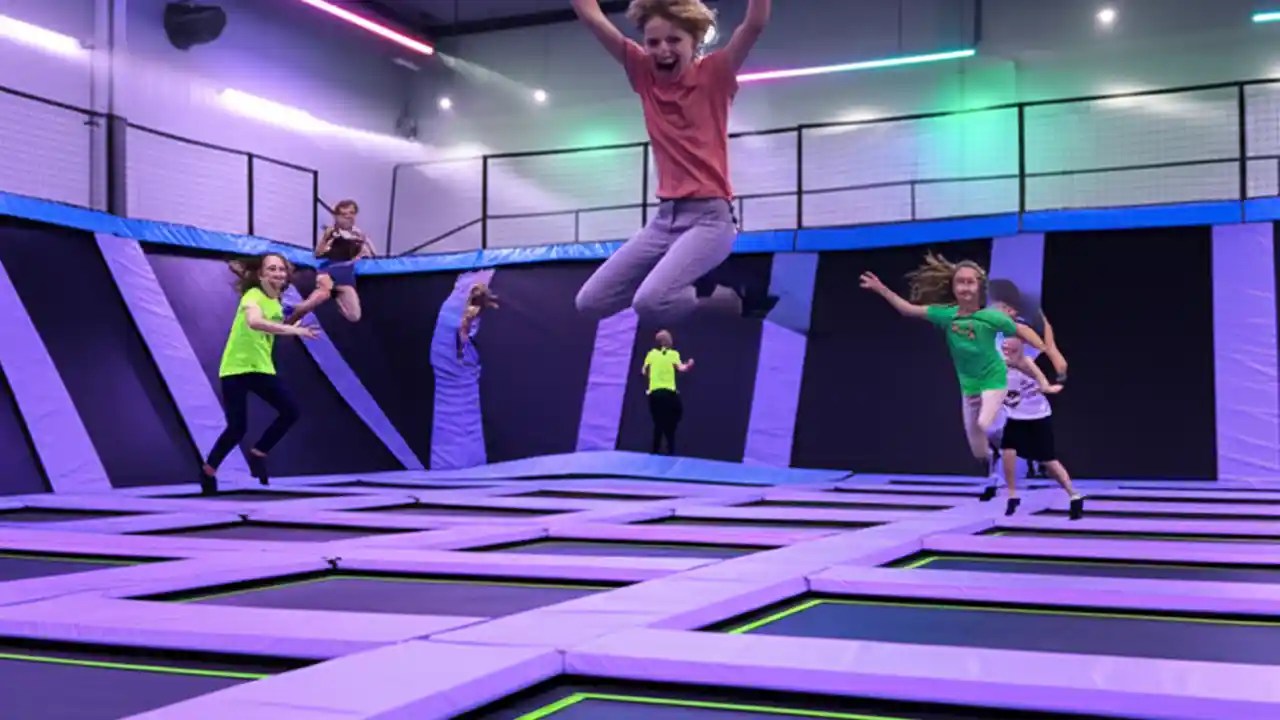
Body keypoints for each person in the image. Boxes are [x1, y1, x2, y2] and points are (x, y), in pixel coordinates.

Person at [570, 0, 776, 324]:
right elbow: (594, 19)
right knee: (590, 303)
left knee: (649, 303)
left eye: (674, 40)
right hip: (664, 220)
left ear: (695, 42)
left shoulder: (716, 73)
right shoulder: (642, 72)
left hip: (710, 219)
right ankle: (677, 282)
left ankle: (723, 300)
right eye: (653, 42)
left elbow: (754, 24)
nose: (662, 50)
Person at [859, 253, 1053, 491]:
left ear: (979, 287)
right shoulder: (946, 315)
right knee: (979, 449)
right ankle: (1009, 455)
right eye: (960, 282)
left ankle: (1028, 449)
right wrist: (881, 289)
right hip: (970, 388)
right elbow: (908, 310)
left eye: (970, 282)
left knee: (991, 425)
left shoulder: (991, 317)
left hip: (994, 382)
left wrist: (1046, 349)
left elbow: (1021, 330)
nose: (965, 287)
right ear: (953, 286)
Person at [199, 253, 317, 494]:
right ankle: (208, 472)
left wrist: (295, 323)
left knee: (291, 411)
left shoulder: (276, 301)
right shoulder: (252, 296)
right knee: (237, 428)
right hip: (236, 368)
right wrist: (292, 330)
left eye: (281, 269)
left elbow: (277, 321)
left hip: (261, 367)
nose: (278, 273)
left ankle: (258, 452)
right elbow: (254, 322)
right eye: (272, 269)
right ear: (261, 274)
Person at [988, 280, 1069, 479]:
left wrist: (1055, 355)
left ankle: (1037, 459)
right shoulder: (996, 327)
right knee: (994, 429)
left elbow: (1044, 342)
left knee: (1018, 425)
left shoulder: (1022, 326)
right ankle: (1028, 458)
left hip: (1023, 381)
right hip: (1005, 380)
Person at [999, 336, 1085, 520]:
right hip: (1016, 417)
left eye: (1011, 344)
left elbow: (1036, 374)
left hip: (1038, 416)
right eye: (1004, 344)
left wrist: (1046, 386)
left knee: (1048, 460)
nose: (1006, 346)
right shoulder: (998, 363)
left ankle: (1074, 494)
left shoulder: (1027, 362)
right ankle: (1012, 495)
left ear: (1021, 346)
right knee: (1007, 451)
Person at [286, 199, 373, 325]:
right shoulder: (333, 232)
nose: (348, 217)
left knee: (354, 315)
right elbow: (318, 253)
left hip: (346, 278)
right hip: (330, 271)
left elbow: (369, 254)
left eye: (351, 213)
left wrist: (363, 252)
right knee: (323, 293)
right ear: (337, 217)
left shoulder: (359, 235)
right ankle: (293, 315)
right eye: (344, 214)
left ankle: (334, 297)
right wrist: (327, 238)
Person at [643, 329, 694, 454]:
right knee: (672, 419)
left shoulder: (651, 354)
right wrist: (689, 365)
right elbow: (682, 368)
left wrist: (652, 377)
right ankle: (670, 449)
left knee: (658, 423)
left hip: (654, 393)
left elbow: (644, 371)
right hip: (668, 392)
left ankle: (655, 451)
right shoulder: (673, 354)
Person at [457, 282, 499, 363]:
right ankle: (462, 351)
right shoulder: (472, 310)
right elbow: (464, 328)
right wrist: (460, 350)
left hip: (470, 325)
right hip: (469, 328)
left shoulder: (475, 305)